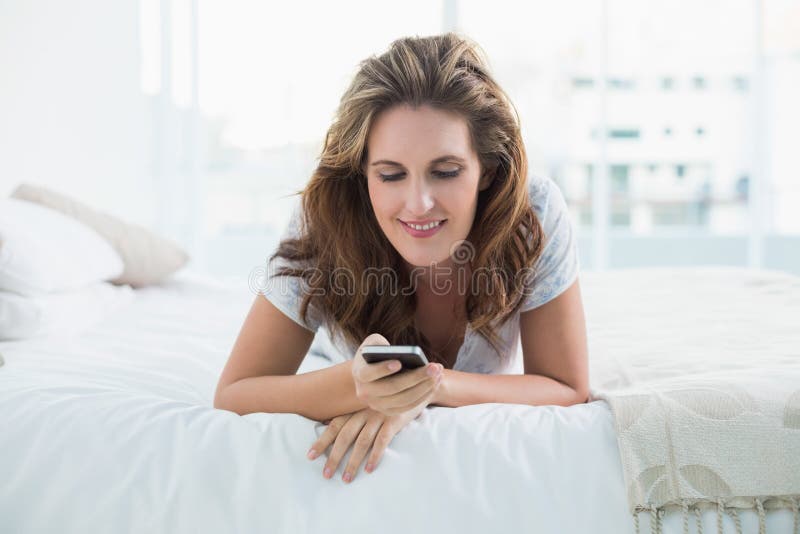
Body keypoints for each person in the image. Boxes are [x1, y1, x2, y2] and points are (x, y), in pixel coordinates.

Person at [213, 32, 589, 484]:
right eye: (390, 175)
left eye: (446, 172)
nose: (418, 203)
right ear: (362, 174)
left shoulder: (534, 214)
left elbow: (567, 387)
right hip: (336, 358)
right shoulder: (325, 218)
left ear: (486, 169)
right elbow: (235, 393)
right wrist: (356, 387)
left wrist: (426, 391)